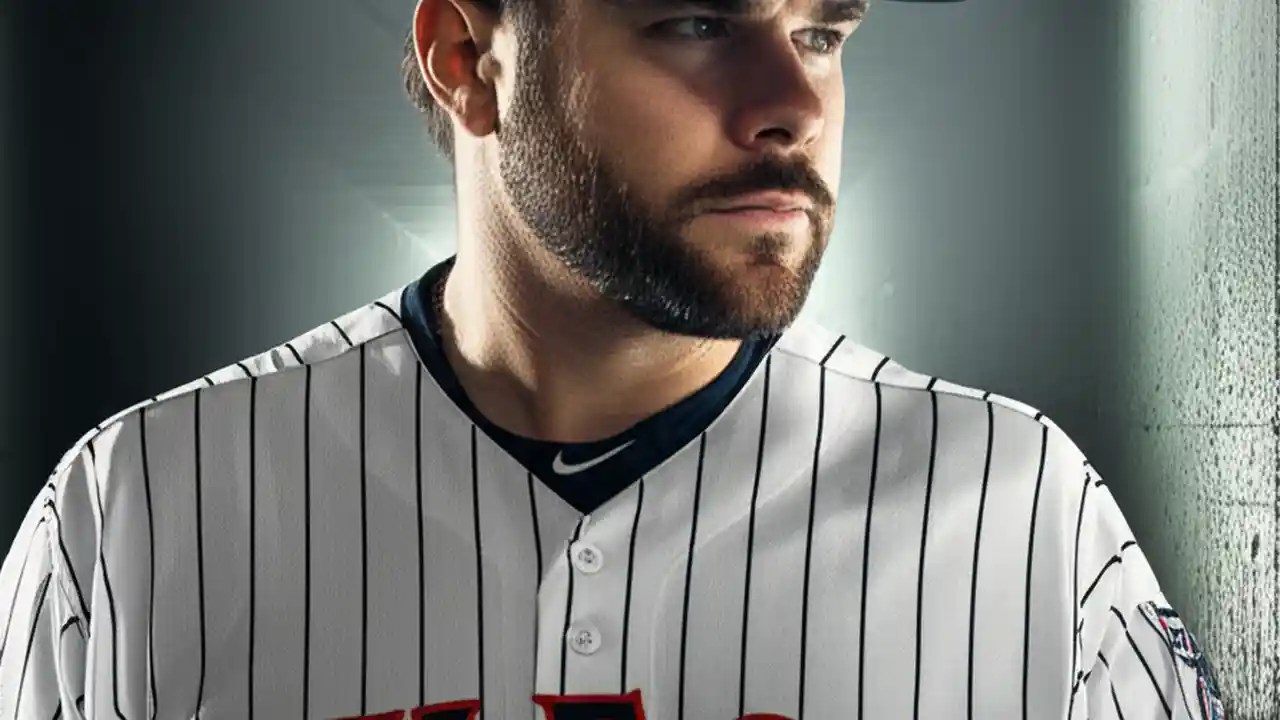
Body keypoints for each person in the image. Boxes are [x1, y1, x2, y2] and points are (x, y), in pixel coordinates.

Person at [0, 0, 1225, 718]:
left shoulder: (1019, 508)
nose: (789, 99)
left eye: (819, 28)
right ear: (466, 59)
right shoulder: (135, 507)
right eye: (694, 22)